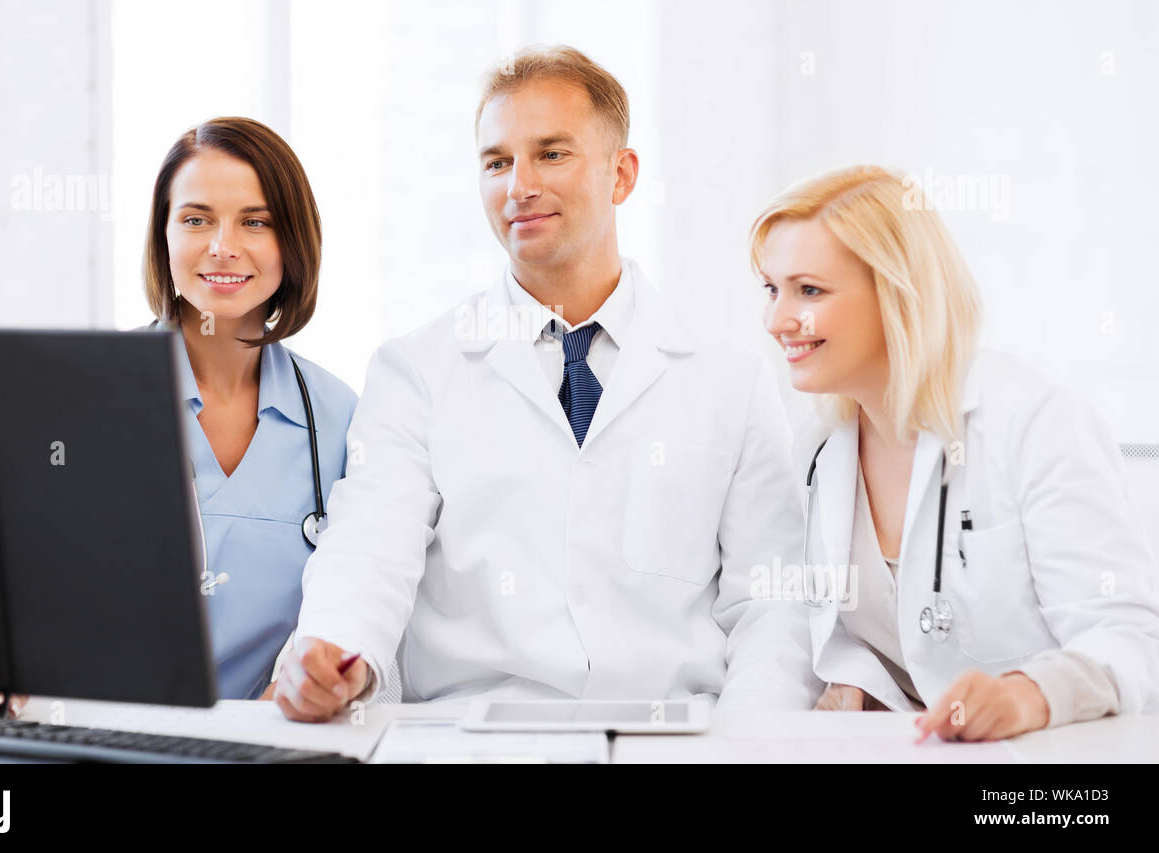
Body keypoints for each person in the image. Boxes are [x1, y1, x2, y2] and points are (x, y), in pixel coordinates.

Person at [268, 45, 821, 720]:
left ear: (622, 174)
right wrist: (335, 651)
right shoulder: (417, 368)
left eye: (551, 154)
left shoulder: (729, 380)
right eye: (497, 162)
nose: (518, 186)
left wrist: (745, 743)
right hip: (470, 741)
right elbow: (370, 546)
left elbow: (773, 599)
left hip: (673, 741)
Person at [750, 164, 1159, 741]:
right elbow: (849, 639)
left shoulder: (1035, 423)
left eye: (809, 290)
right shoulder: (819, 447)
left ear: (897, 291)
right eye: (771, 289)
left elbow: (1128, 638)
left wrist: (1027, 695)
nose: (776, 320)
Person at [141, 116, 357, 699]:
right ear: (163, 234)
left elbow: (362, 606)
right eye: (195, 219)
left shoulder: (339, 419)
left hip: (272, 742)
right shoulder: (87, 399)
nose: (222, 246)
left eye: (255, 222)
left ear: (292, 241)